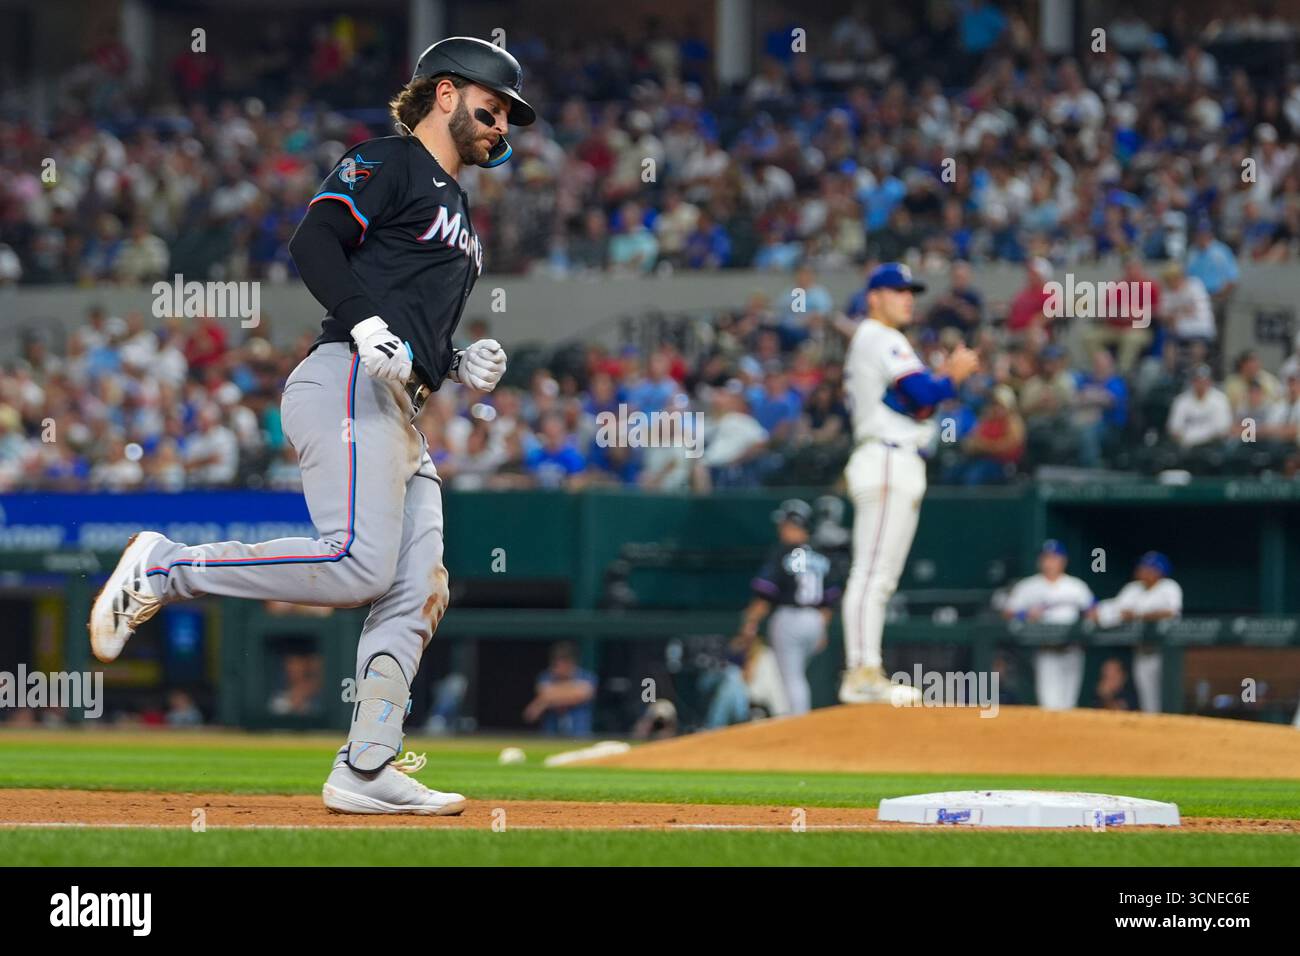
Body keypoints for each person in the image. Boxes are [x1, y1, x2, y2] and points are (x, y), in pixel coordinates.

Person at [87, 36, 534, 816]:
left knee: (417, 588)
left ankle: (365, 766)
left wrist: (457, 363)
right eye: (494, 109)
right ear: (446, 94)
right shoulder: (390, 161)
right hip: (347, 381)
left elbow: (410, 314)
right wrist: (364, 325)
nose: (503, 127)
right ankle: (165, 568)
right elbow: (315, 239)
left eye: (509, 119)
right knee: (359, 566)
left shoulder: (461, 208)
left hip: (399, 404)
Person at [839, 263, 979, 702]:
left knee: (880, 576)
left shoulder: (877, 341)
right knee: (870, 573)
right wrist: (951, 376)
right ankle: (860, 672)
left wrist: (939, 386)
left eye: (910, 291)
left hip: (896, 458)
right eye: (897, 290)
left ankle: (867, 668)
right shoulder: (880, 336)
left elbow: (915, 407)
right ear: (874, 297)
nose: (907, 298)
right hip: (885, 458)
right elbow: (923, 395)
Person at [737, 499, 840, 715]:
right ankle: (793, 718)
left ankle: (797, 723)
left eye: (783, 523)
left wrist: (750, 622)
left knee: (792, 677)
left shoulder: (783, 553)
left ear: (792, 524)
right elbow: (830, 599)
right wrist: (822, 627)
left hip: (789, 618)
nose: (780, 528)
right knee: (796, 676)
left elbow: (765, 595)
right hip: (815, 620)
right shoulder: (821, 555)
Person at [1001, 540, 1095, 710]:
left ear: (1063, 561)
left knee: (1069, 705)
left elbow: (1093, 611)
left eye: (1054, 558)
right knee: (1049, 705)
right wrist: (1025, 614)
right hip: (1046, 650)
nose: (1050, 562)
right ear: (1040, 561)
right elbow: (1007, 612)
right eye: (1046, 558)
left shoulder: (1076, 586)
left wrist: (1088, 620)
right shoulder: (1028, 586)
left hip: (1072, 650)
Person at [1088, 552, 1183, 713]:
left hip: (1165, 653)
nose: (1144, 571)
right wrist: (1099, 611)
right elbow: (1115, 608)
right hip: (1141, 650)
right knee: (1148, 700)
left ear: (1159, 571)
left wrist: (1138, 615)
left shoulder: (1169, 587)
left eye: (1149, 568)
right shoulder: (1132, 589)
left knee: (1167, 695)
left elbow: (1171, 613)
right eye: (1143, 567)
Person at [523, 642, 597, 736]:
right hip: (551, 733)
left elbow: (582, 694)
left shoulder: (587, 676)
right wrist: (571, 690)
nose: (560, 667)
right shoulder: (546, 676)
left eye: (564, 663)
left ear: (572, 663)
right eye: (557, 663)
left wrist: (545, 701)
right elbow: (544, 694)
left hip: (579, 733)